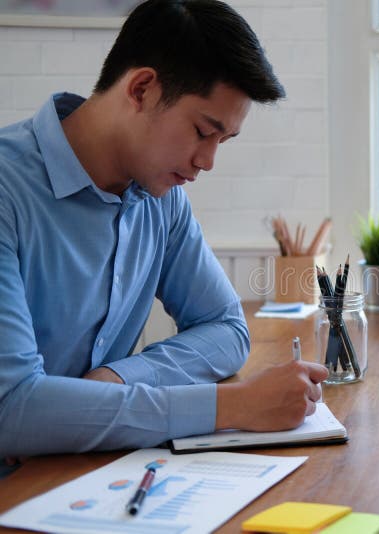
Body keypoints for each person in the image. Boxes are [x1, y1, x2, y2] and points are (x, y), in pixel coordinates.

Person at [0, 0, 328, 460]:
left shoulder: (162, 199)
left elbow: (226, 329)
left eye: (223, 141)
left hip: (85, 476)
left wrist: (119, 379)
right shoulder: (7, 190)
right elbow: (11, 411)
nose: (208, 162)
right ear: (141, 89)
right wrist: (231, 405)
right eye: (201, 131)